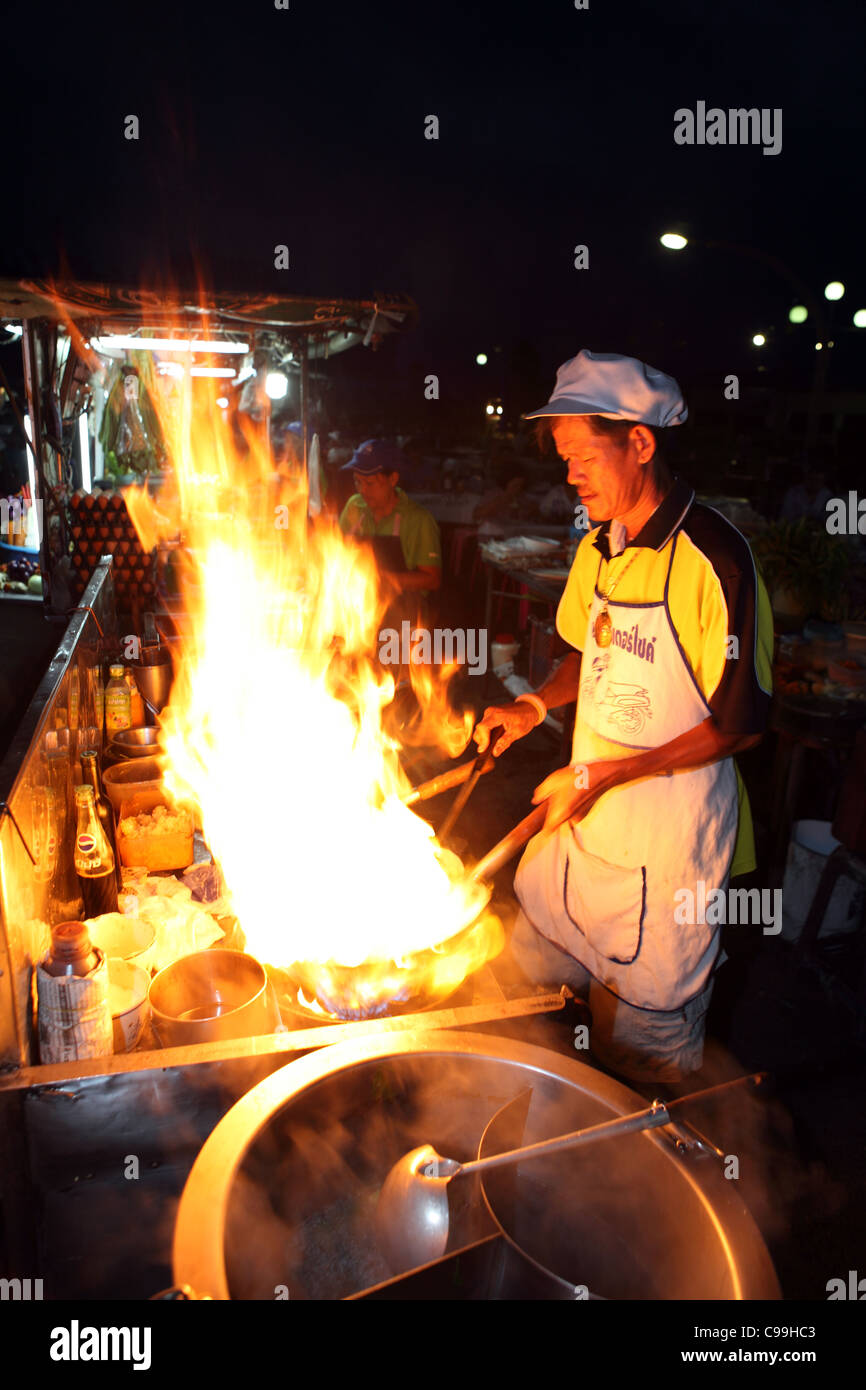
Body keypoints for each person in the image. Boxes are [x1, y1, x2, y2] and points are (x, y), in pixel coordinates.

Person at [474, 349, 773, 1085]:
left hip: (668, 847)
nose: (570, 475)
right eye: (563, 459)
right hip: (587, 829)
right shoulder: (597, 548)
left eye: (584, 456)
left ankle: (645, 1181)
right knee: (528, 986)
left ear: (640, 443)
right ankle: (536, 1119)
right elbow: (588, 652)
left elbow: (740, 725)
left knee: (638, 1059)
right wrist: (532, 703)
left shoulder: (717, 562)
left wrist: (609, 774)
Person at [338, 439, 442, 603]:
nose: (362, 490)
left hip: (403, 614)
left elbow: (432, 580)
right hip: (357, 609)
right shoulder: (354, 506)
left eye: (370, 483)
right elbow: (337, 551)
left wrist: (386, 580)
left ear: (393, 479)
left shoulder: (419, 520)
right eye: (357, 481)